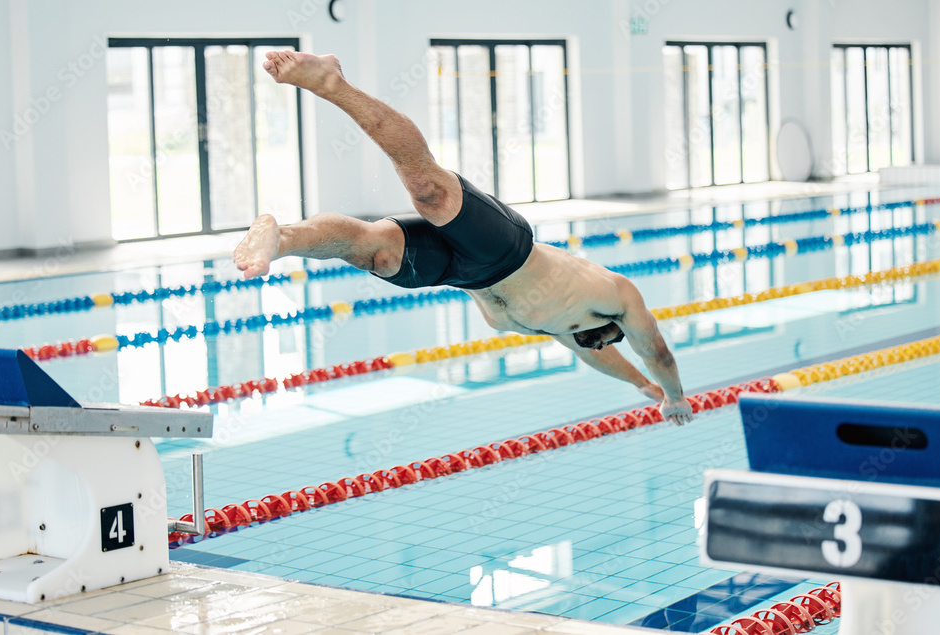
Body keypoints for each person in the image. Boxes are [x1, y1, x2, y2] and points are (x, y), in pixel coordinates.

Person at [234, 51, 694, 425]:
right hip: (508, 252)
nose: (597, 346)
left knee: (377, 253)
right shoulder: (615, 294)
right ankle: (332, 82)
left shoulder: (566, 329)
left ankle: (284, 238)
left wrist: (642, 388)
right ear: (608, 328)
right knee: (428, 190)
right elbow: (655, 349)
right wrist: (673, 395)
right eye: (604, 340)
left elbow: (601, 358)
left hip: (460, 273)